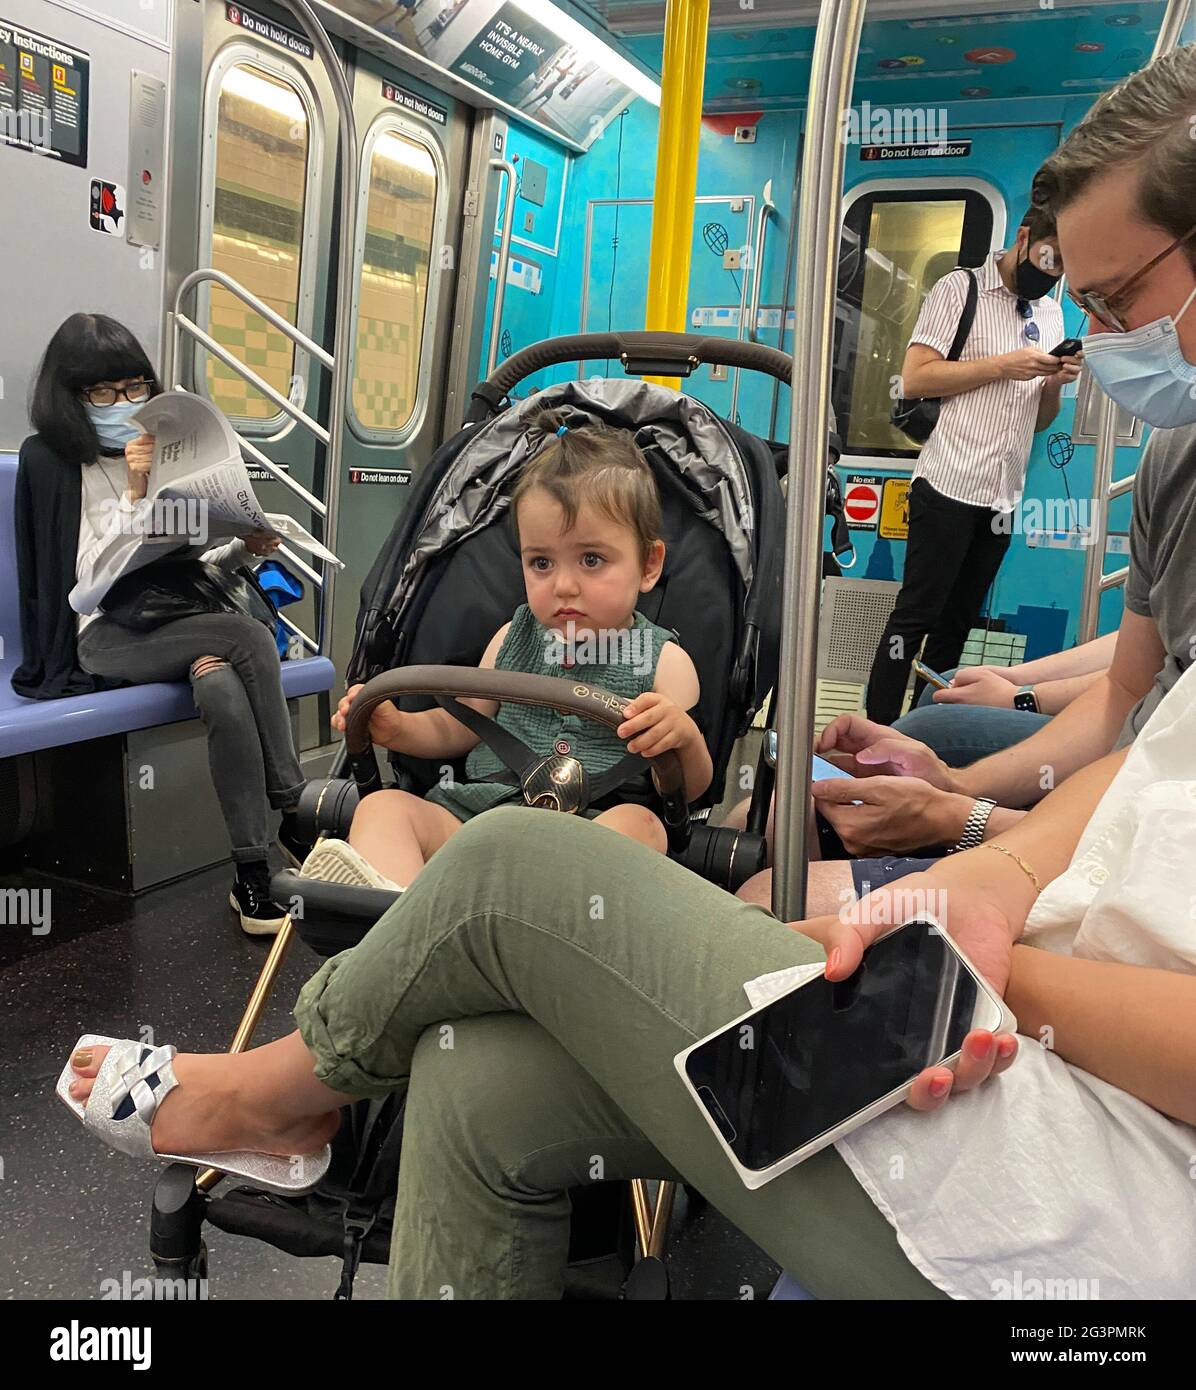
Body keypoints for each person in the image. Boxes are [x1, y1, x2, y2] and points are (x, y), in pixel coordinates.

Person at [309, 407, 713, 890]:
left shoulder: (665, 663)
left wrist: (684, 738)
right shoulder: (510, 638)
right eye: (541, 562)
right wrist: (397, 728)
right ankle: (401, 921)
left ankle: (541, 916)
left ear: (648, 566)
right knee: (382, 806)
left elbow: (689, 790)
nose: (564, 585)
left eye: (591, 560)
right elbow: (456, 730)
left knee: (642, 826)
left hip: (588, 828)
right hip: (480, 815)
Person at [12, 313, 310, 935]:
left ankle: (251, 875)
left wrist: (244, 548)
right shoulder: (55, 463)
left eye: (134, 387)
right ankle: (297, 809)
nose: (123, 404)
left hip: (178, 622)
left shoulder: (171, 453)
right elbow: (84, 588)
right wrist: (136, 491)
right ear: (71, 396)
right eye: (103, 392)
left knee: (222, 685)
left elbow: (194, 564)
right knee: (247, 636)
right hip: (103, 637)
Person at [865, 208, 1079, 725]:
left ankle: (918, 732)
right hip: (948, 482)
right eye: (1047, 257)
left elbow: (1038, 419)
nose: (1049, 274)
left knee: (958, 624)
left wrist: (1053, 383)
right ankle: (872, 733)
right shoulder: (959, 289)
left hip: (1002, 491)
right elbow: (914, 379)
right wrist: (1003, 366)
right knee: (915, 616)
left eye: (1061, 267)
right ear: (1024, 237)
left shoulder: (1049, 314)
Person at [891, 630, 1116, 765]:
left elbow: (1134, 682)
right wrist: (1014, 677)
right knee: (951, 685)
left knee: (929, 727)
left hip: (1135, 724)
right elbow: (1127, 643)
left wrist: (1018, 698)